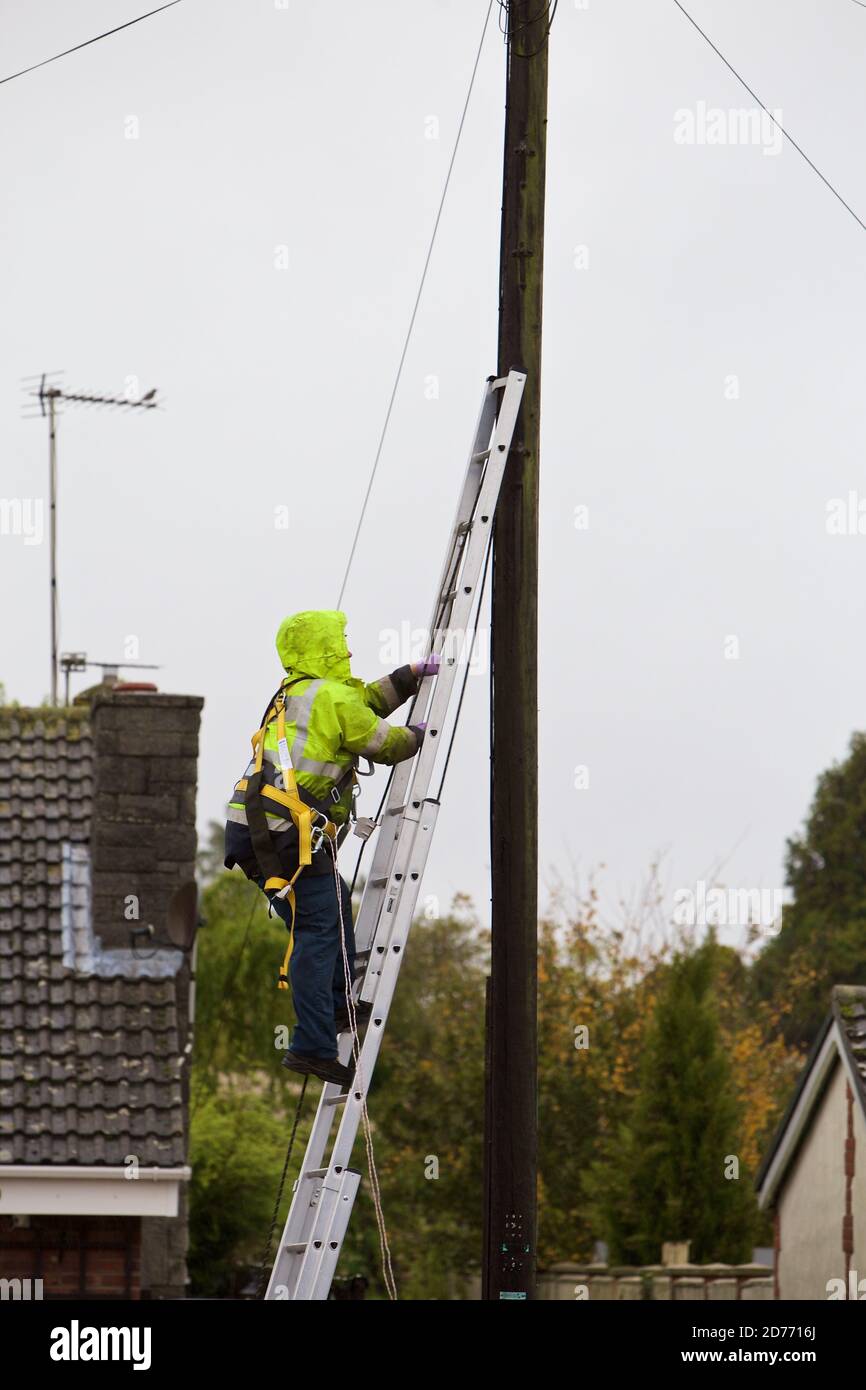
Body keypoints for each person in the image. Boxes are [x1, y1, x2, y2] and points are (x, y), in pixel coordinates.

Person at [224, 609, 438, 1086]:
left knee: (332, 908)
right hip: (281, 833)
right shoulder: (328, 698)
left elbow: (364, 701)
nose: (348, 650)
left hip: (266, 829)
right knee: (318, 930)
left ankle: (338, 1009)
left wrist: (406, 678)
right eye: (339, 642)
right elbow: (382, 741)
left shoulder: (300, 694)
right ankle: (312, 1046)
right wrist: (419, 737)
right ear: (321, 648)